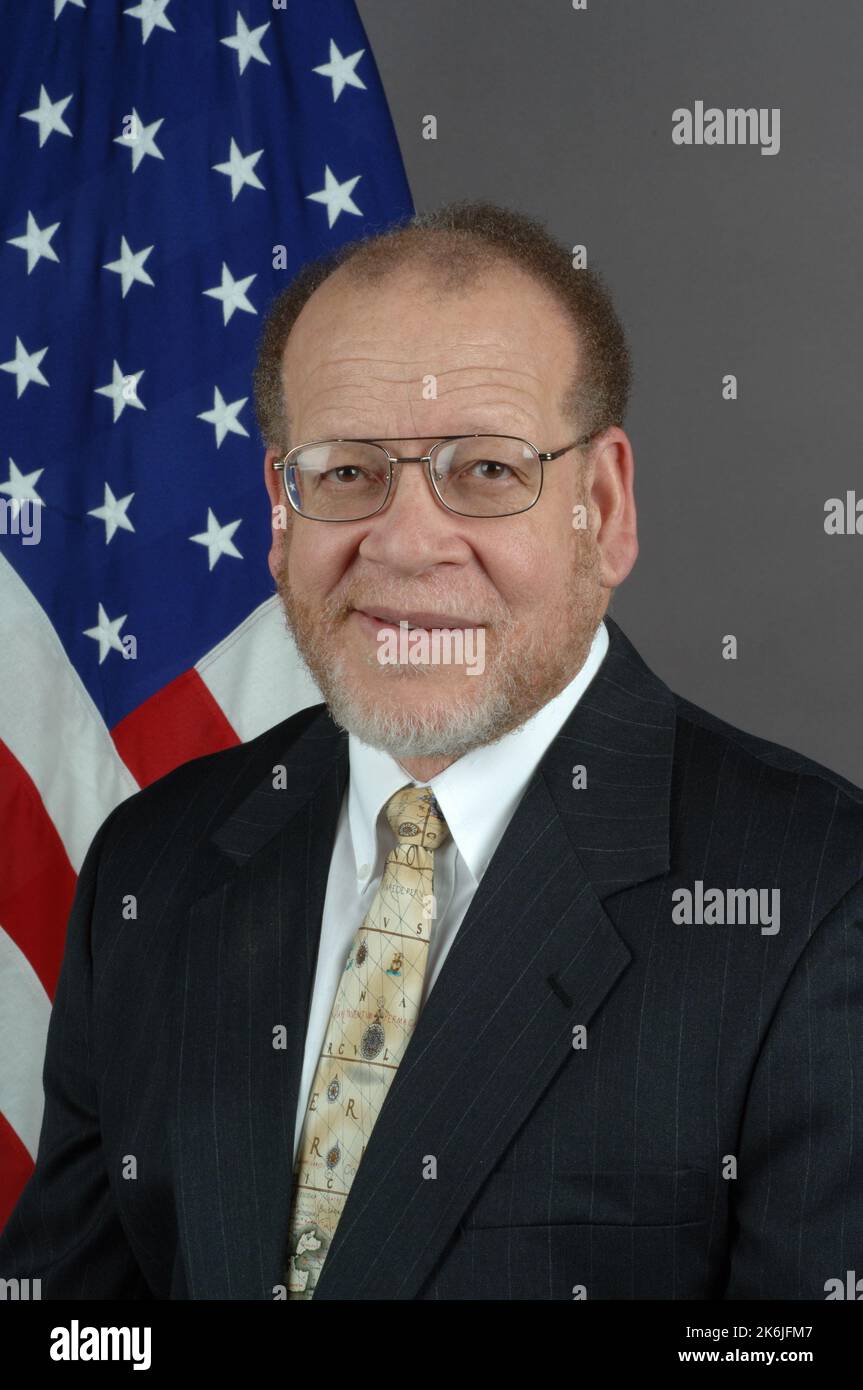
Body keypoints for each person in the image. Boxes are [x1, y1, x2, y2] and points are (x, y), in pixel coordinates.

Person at [1, 201, 861, 1301]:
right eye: (348, 473)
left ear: (602, 504)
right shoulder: (151, 865)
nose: (406, 542)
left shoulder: (817, 900)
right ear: (279, 511)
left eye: (488, 470)